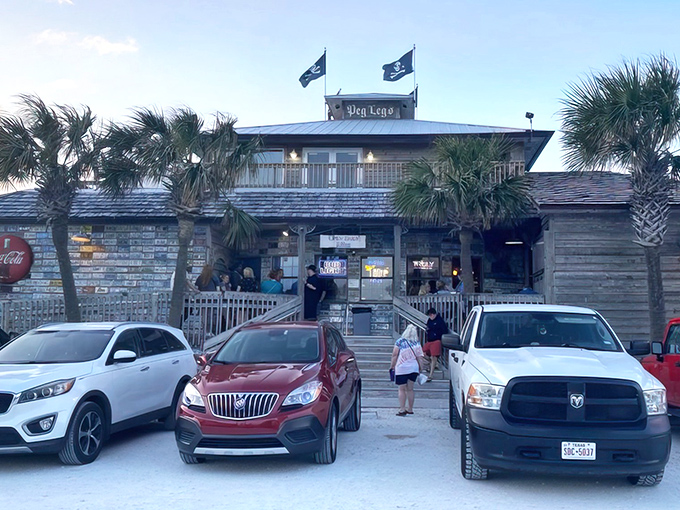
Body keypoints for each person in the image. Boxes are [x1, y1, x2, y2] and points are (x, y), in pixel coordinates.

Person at [390, 324, 424, 416]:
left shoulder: (399, 342)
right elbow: (420, 358)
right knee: (410, 389)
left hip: (401, 368)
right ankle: (410, 409)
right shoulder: (416, 343)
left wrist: (392, 366)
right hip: (413, 368)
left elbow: (394, 355)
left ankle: (402, 409)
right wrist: (421, 368)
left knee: (401, 389)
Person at [424, 307, 448, 382]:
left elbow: (444, 330)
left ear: (434, 314)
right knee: (423, 353)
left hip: (436, 340)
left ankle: (431, 374)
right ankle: (433, 365)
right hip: (429, 340)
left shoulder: (439, 321)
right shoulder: (429, 321)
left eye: (431, 315)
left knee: (434, 357)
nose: (430, 316)